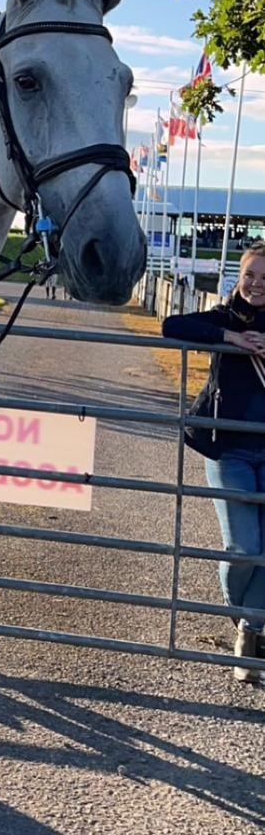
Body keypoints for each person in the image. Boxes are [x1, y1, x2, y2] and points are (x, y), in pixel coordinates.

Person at [162, 241, 265, 682]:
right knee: (244, 547)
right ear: (239, 277)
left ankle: (251, 630)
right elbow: (172, 325)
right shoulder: (225, 317)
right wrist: (232, 339)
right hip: (228, 449)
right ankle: (244, 615)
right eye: (250, 275)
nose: (256, 285)